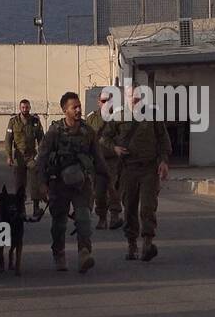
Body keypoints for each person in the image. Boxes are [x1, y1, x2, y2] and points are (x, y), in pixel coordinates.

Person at [35, 92, 109, 273]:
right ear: (64, 110)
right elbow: (42, 159)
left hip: (81, 185)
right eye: (73, 107)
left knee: (83, 219)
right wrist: (42, 184)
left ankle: (84, 253)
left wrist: (106, 179)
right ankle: (59, 252)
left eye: (79, 106)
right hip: (58, 185)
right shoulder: (54, 132)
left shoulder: (87, 132)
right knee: (59, 223)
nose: (78, 110)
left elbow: (98, 158)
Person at [99, 89, 170, 261]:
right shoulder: (118, 115)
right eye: (132, 96)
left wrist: (163, 161)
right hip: (128, 169)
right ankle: (132, 244)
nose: (135, 99)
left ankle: (147, 242)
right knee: (130, 206)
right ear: (126, 98)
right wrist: (114, 148)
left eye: (139, 97)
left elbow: (163, 139)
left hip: (149, 169)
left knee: (147, 206)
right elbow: (103, 138)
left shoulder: (153, 115)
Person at [85, 90, 124, 230]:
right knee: (99, 191)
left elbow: (123, 137)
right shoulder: (91, 118)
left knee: (113, 188)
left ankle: (114, 216)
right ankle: (102, 218)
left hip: (112, 160)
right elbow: (86, 138)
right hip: (96, 161)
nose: (105, 103)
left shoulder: (118, 117)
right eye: (103, 101)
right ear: (98, 102)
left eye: (108, 100)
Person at [5, 99, 46, 220]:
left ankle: (36, 207)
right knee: (19, 184)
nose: (25, 109)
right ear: (20, 108)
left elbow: (41, 139)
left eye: (27, 107)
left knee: (35, 181)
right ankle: (20, 209)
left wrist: (41, 154)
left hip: (32, 157)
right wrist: (9, 156)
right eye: (23, 107)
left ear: (30, 108)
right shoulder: (13, 122)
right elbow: (8, 140)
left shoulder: (35, 121)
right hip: (19, 157)